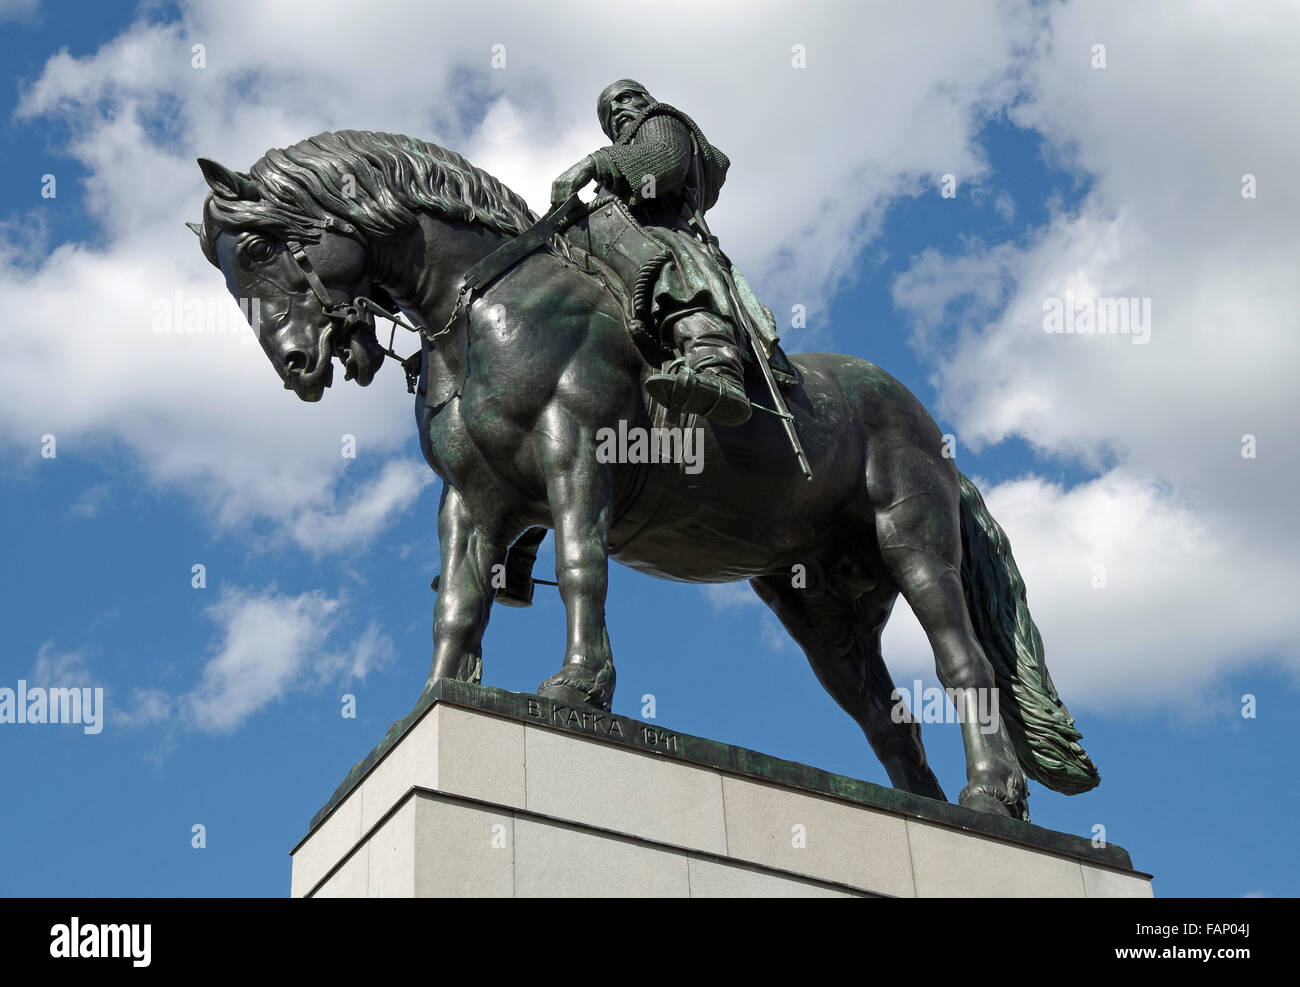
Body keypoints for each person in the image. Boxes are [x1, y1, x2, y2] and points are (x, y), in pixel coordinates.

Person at [550, 79, 753, 426]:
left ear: (645, 99)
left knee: (667, 261)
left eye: (624, 99)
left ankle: (716, 365)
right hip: (616, 249)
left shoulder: (660, 120)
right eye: (608, 112)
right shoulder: (617, 166)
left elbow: (665, 164)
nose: (617, 110)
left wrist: (592, 163)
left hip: (663, 233)